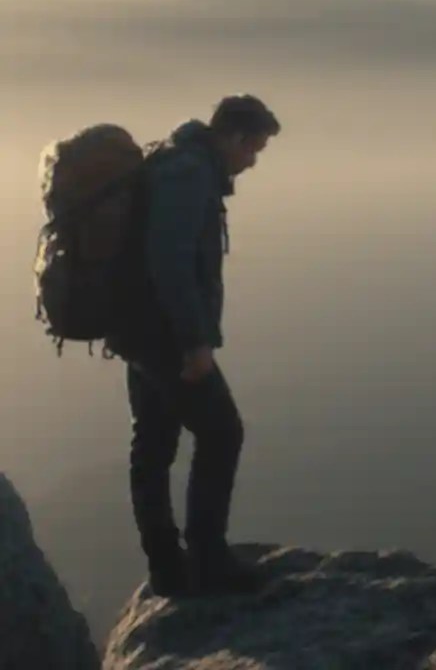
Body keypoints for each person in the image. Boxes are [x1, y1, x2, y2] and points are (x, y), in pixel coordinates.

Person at [106, 95, 281, 597]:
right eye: (255, 149)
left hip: (136, 328)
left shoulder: (175, 162)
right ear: (234, 138)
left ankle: (167, 567)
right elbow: (170, 262)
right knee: (223, 433)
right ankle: (207, 562)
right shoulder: (188, 175)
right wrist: (195, 342)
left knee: (154, 445)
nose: (252, 162)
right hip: (163, 335)